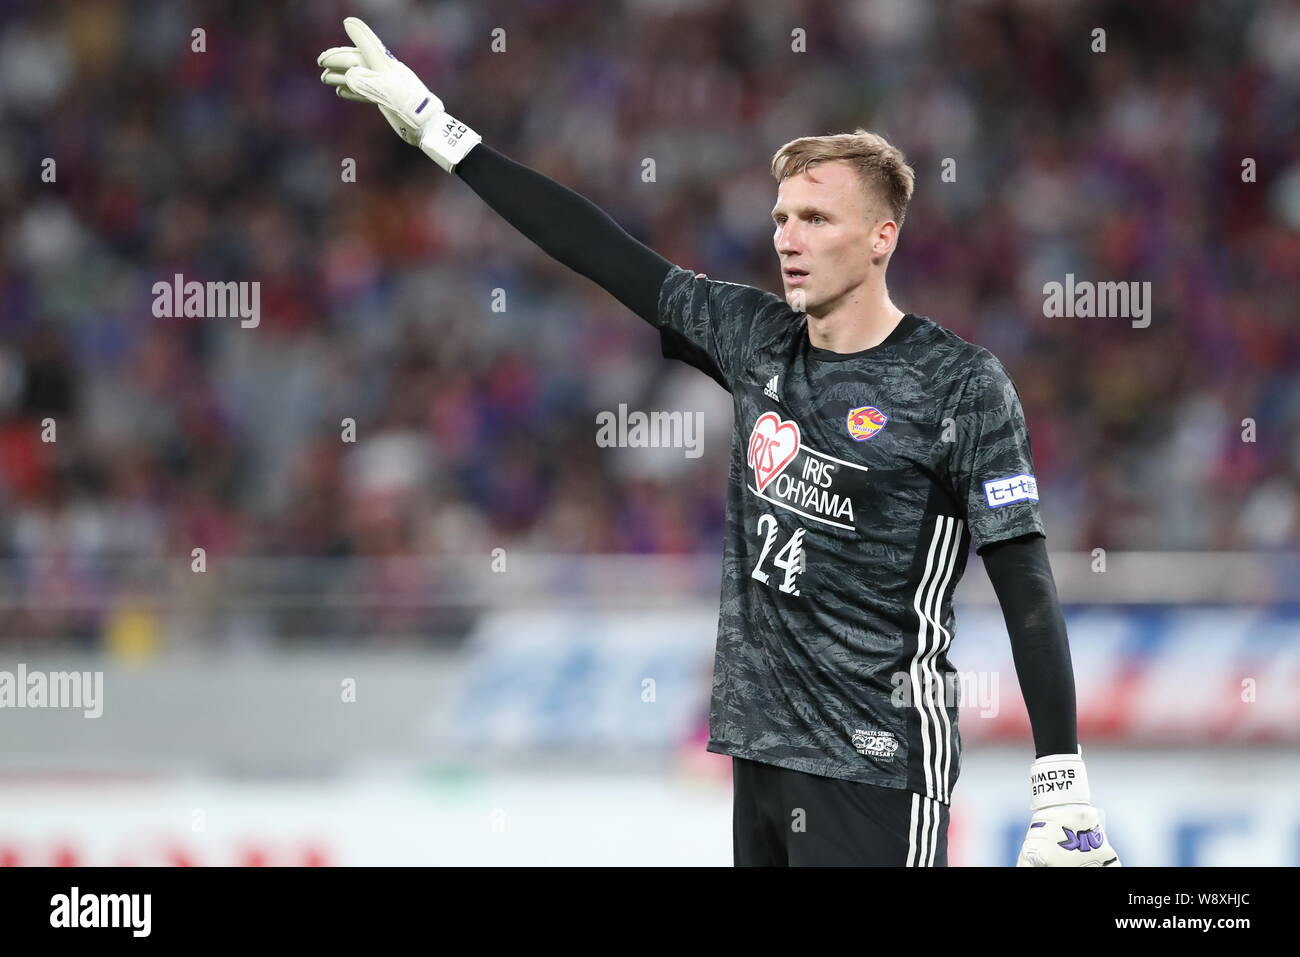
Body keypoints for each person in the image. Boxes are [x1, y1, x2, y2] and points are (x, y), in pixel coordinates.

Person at [318, 17, 1122, 867]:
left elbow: (1025, 581)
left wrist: (1060, 775)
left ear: (883, 236)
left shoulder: (959, 384)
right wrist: (441, 130)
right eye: (782, 216)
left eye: (816, 218)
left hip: (878, 764)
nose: (788, 237)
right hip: (759, 757)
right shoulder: (754, 339)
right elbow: (600, 252)